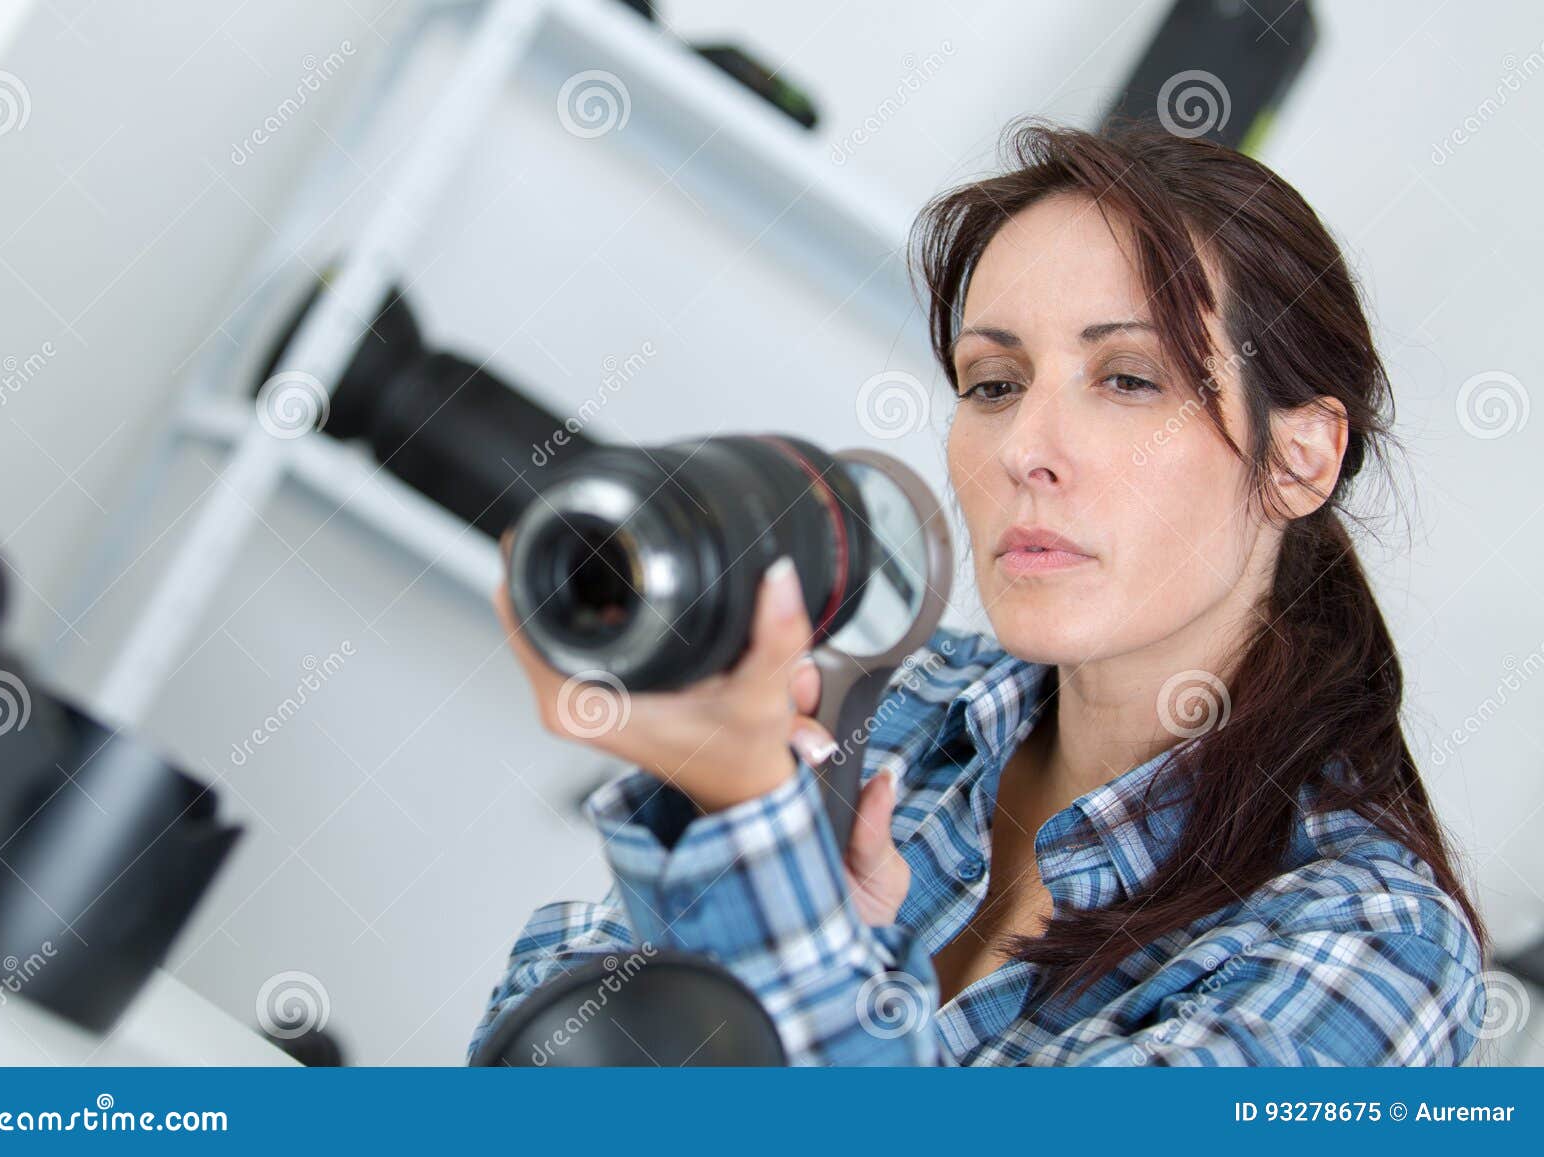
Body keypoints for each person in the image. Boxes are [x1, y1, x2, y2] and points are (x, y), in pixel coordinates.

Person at [468, 118, 1488, 1066]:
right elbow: (536, 1037)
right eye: (993, 383)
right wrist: (729, 829)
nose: (1024, 451)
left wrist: (753, 856)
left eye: (1128, 378)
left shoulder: (1375, 950)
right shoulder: (901, 709)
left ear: (1299, 457)